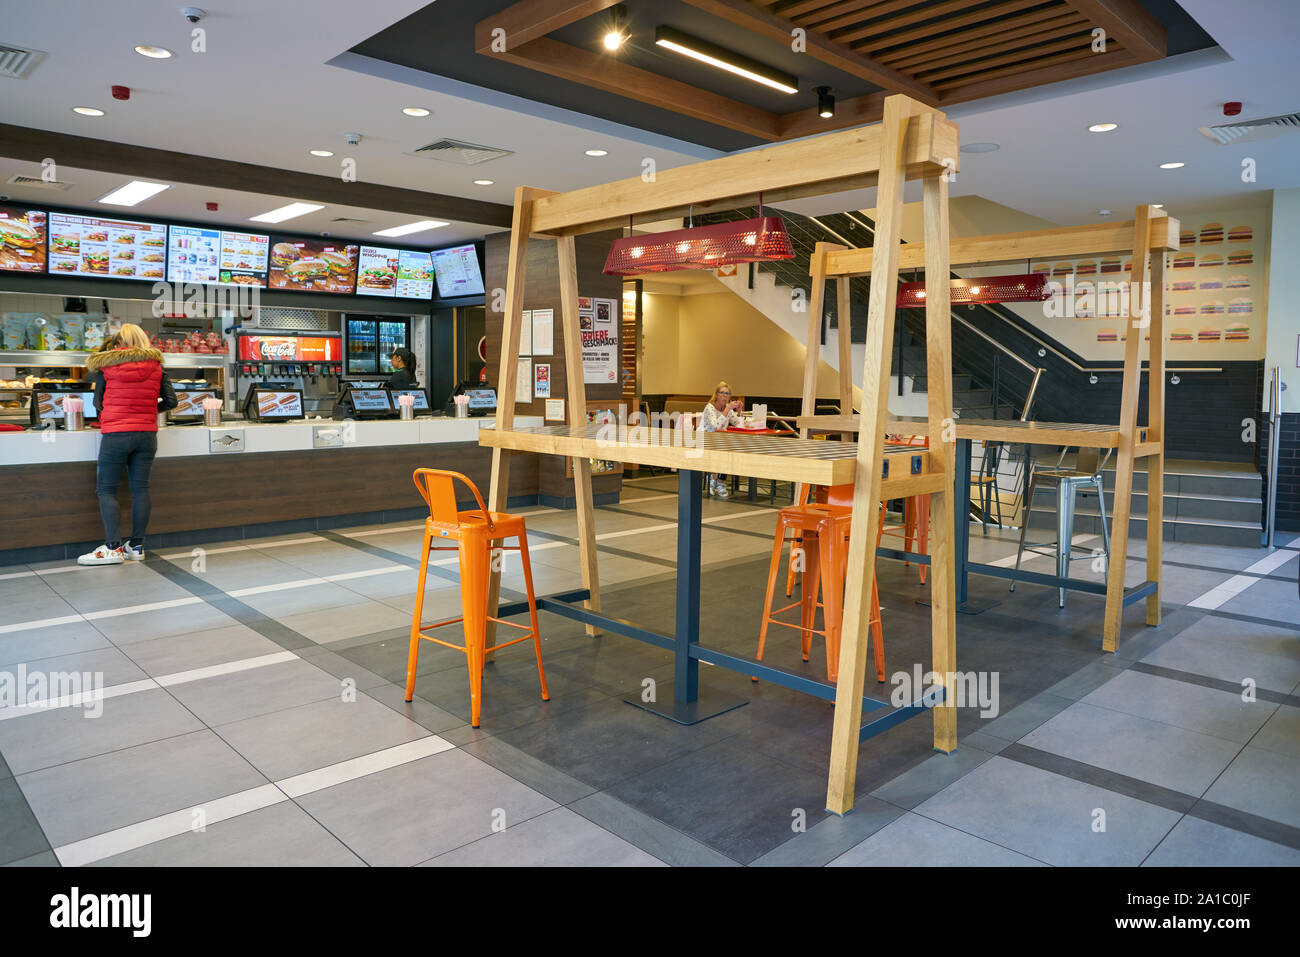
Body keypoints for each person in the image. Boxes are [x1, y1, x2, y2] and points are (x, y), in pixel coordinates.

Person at [78, 323, 177, 566]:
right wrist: (146, 410)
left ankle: (113, 548)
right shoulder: (157, 366)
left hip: (116, 434)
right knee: (140, 490)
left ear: (118, 343)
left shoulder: (107, 367)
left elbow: (98, 403)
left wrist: (120, 412)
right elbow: (172, 401)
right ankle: (136, 545)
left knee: (106, 490)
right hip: (146, 435)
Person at [699, 381, 743, 499]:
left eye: (727, 394)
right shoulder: (710, 407)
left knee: (730, 452)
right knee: (722, 451)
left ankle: (718, 481)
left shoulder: (727, 409)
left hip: (721, 441)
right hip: (706, 439)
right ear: (716, 394)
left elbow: (738, 424)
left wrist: (739, 411)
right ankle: (715, 479)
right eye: (722, 393)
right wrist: (727, 409)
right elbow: (715, 427)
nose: (724, 396)